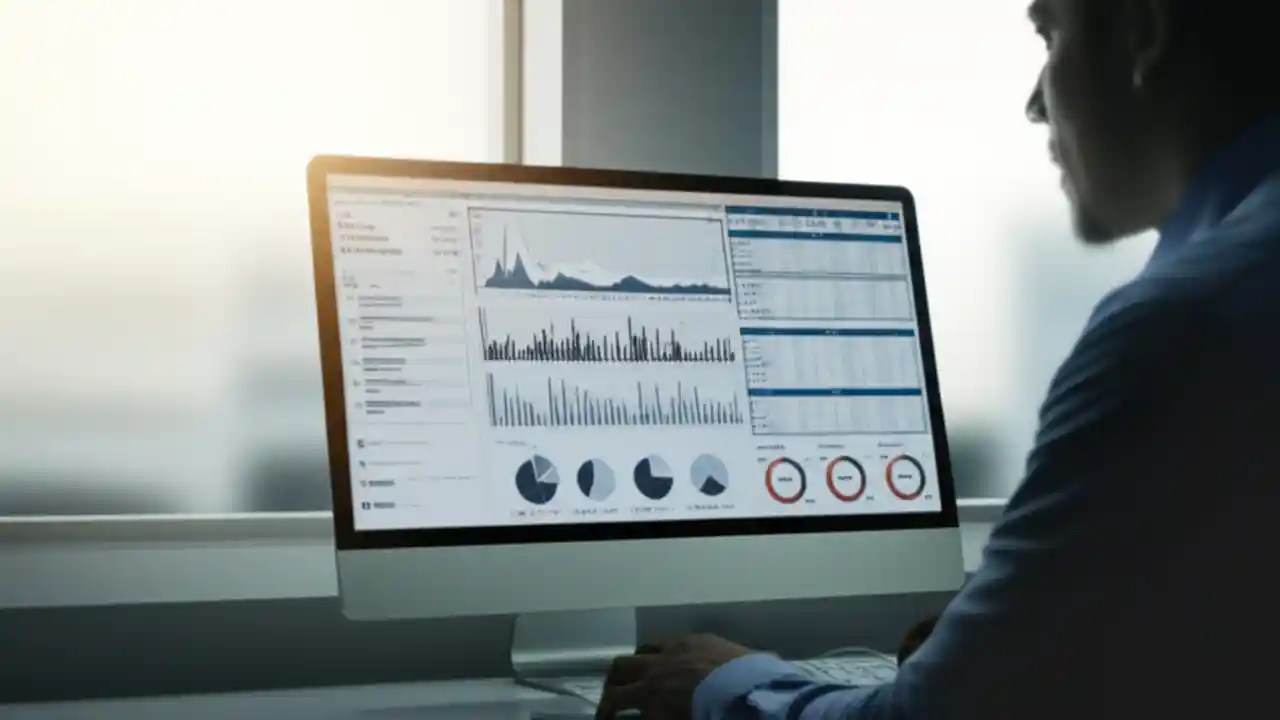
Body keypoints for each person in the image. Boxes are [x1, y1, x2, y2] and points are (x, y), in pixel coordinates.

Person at [598, 0, 1280, 718]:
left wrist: (724, 684)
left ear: (1144, 31)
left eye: (1051, 35)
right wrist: (1020, 635)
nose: (1034, 103)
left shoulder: (1181, 333)